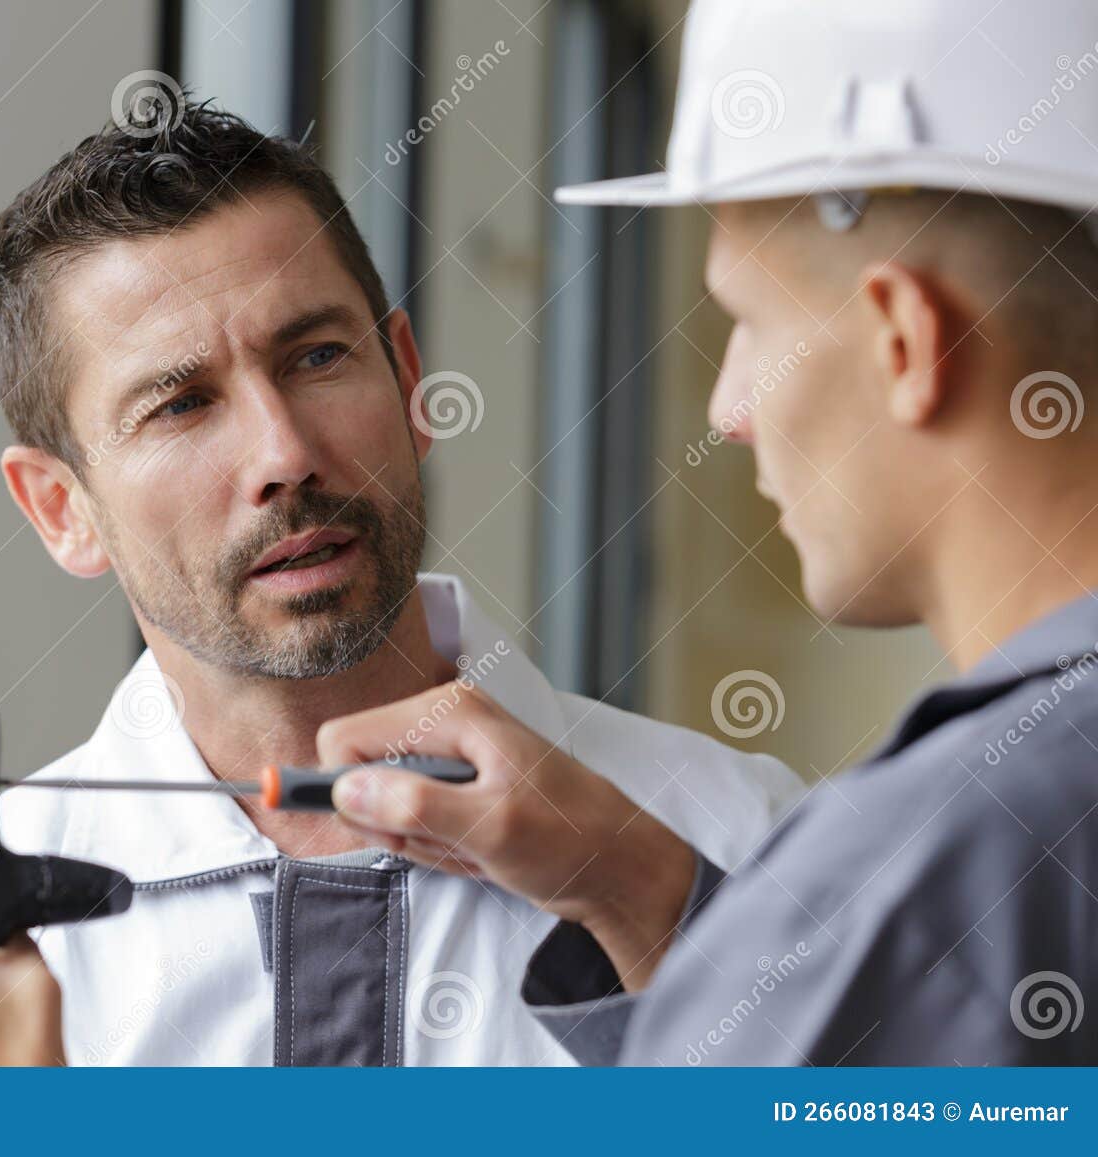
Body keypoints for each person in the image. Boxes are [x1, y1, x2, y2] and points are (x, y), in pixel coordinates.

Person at [0, 98, 804, 1066]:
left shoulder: (739, 841)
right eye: (181, 404)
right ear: (62, 509)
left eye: (317, 357)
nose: (283, 451)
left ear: (409, 378)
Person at [322, 0, 1098, 1064]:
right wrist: (640, 886)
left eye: (748, 320)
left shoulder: (932, 877)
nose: (727, 408)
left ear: (902, 337)